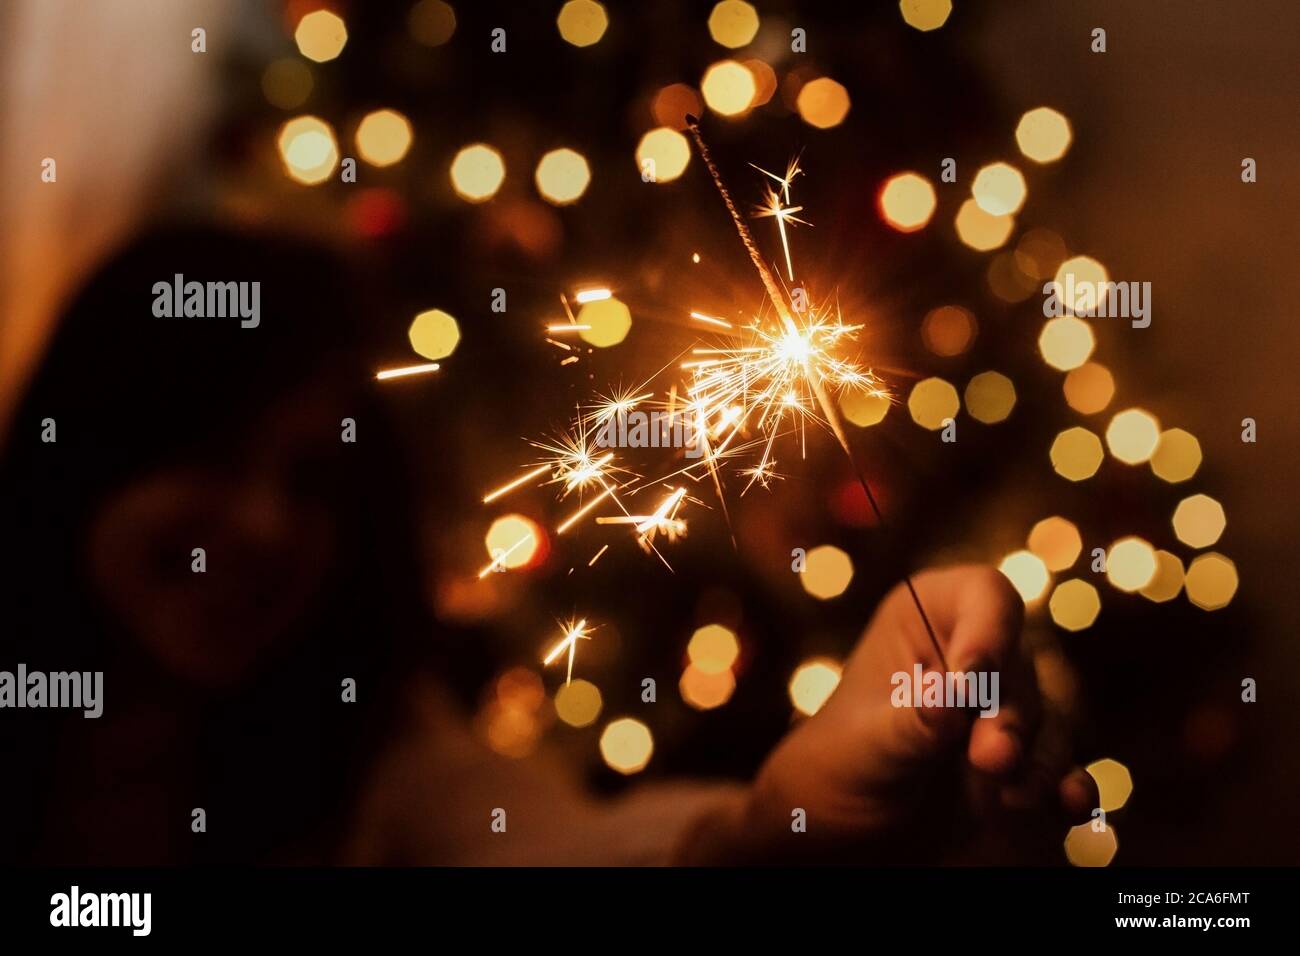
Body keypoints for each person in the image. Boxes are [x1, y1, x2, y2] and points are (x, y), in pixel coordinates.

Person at [0, 225, 1093, 865]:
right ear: (93, 446)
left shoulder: (369, 745)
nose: (266, 525)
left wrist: (773, 821)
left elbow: (551, 844)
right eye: (213, 452)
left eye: (314, 481)